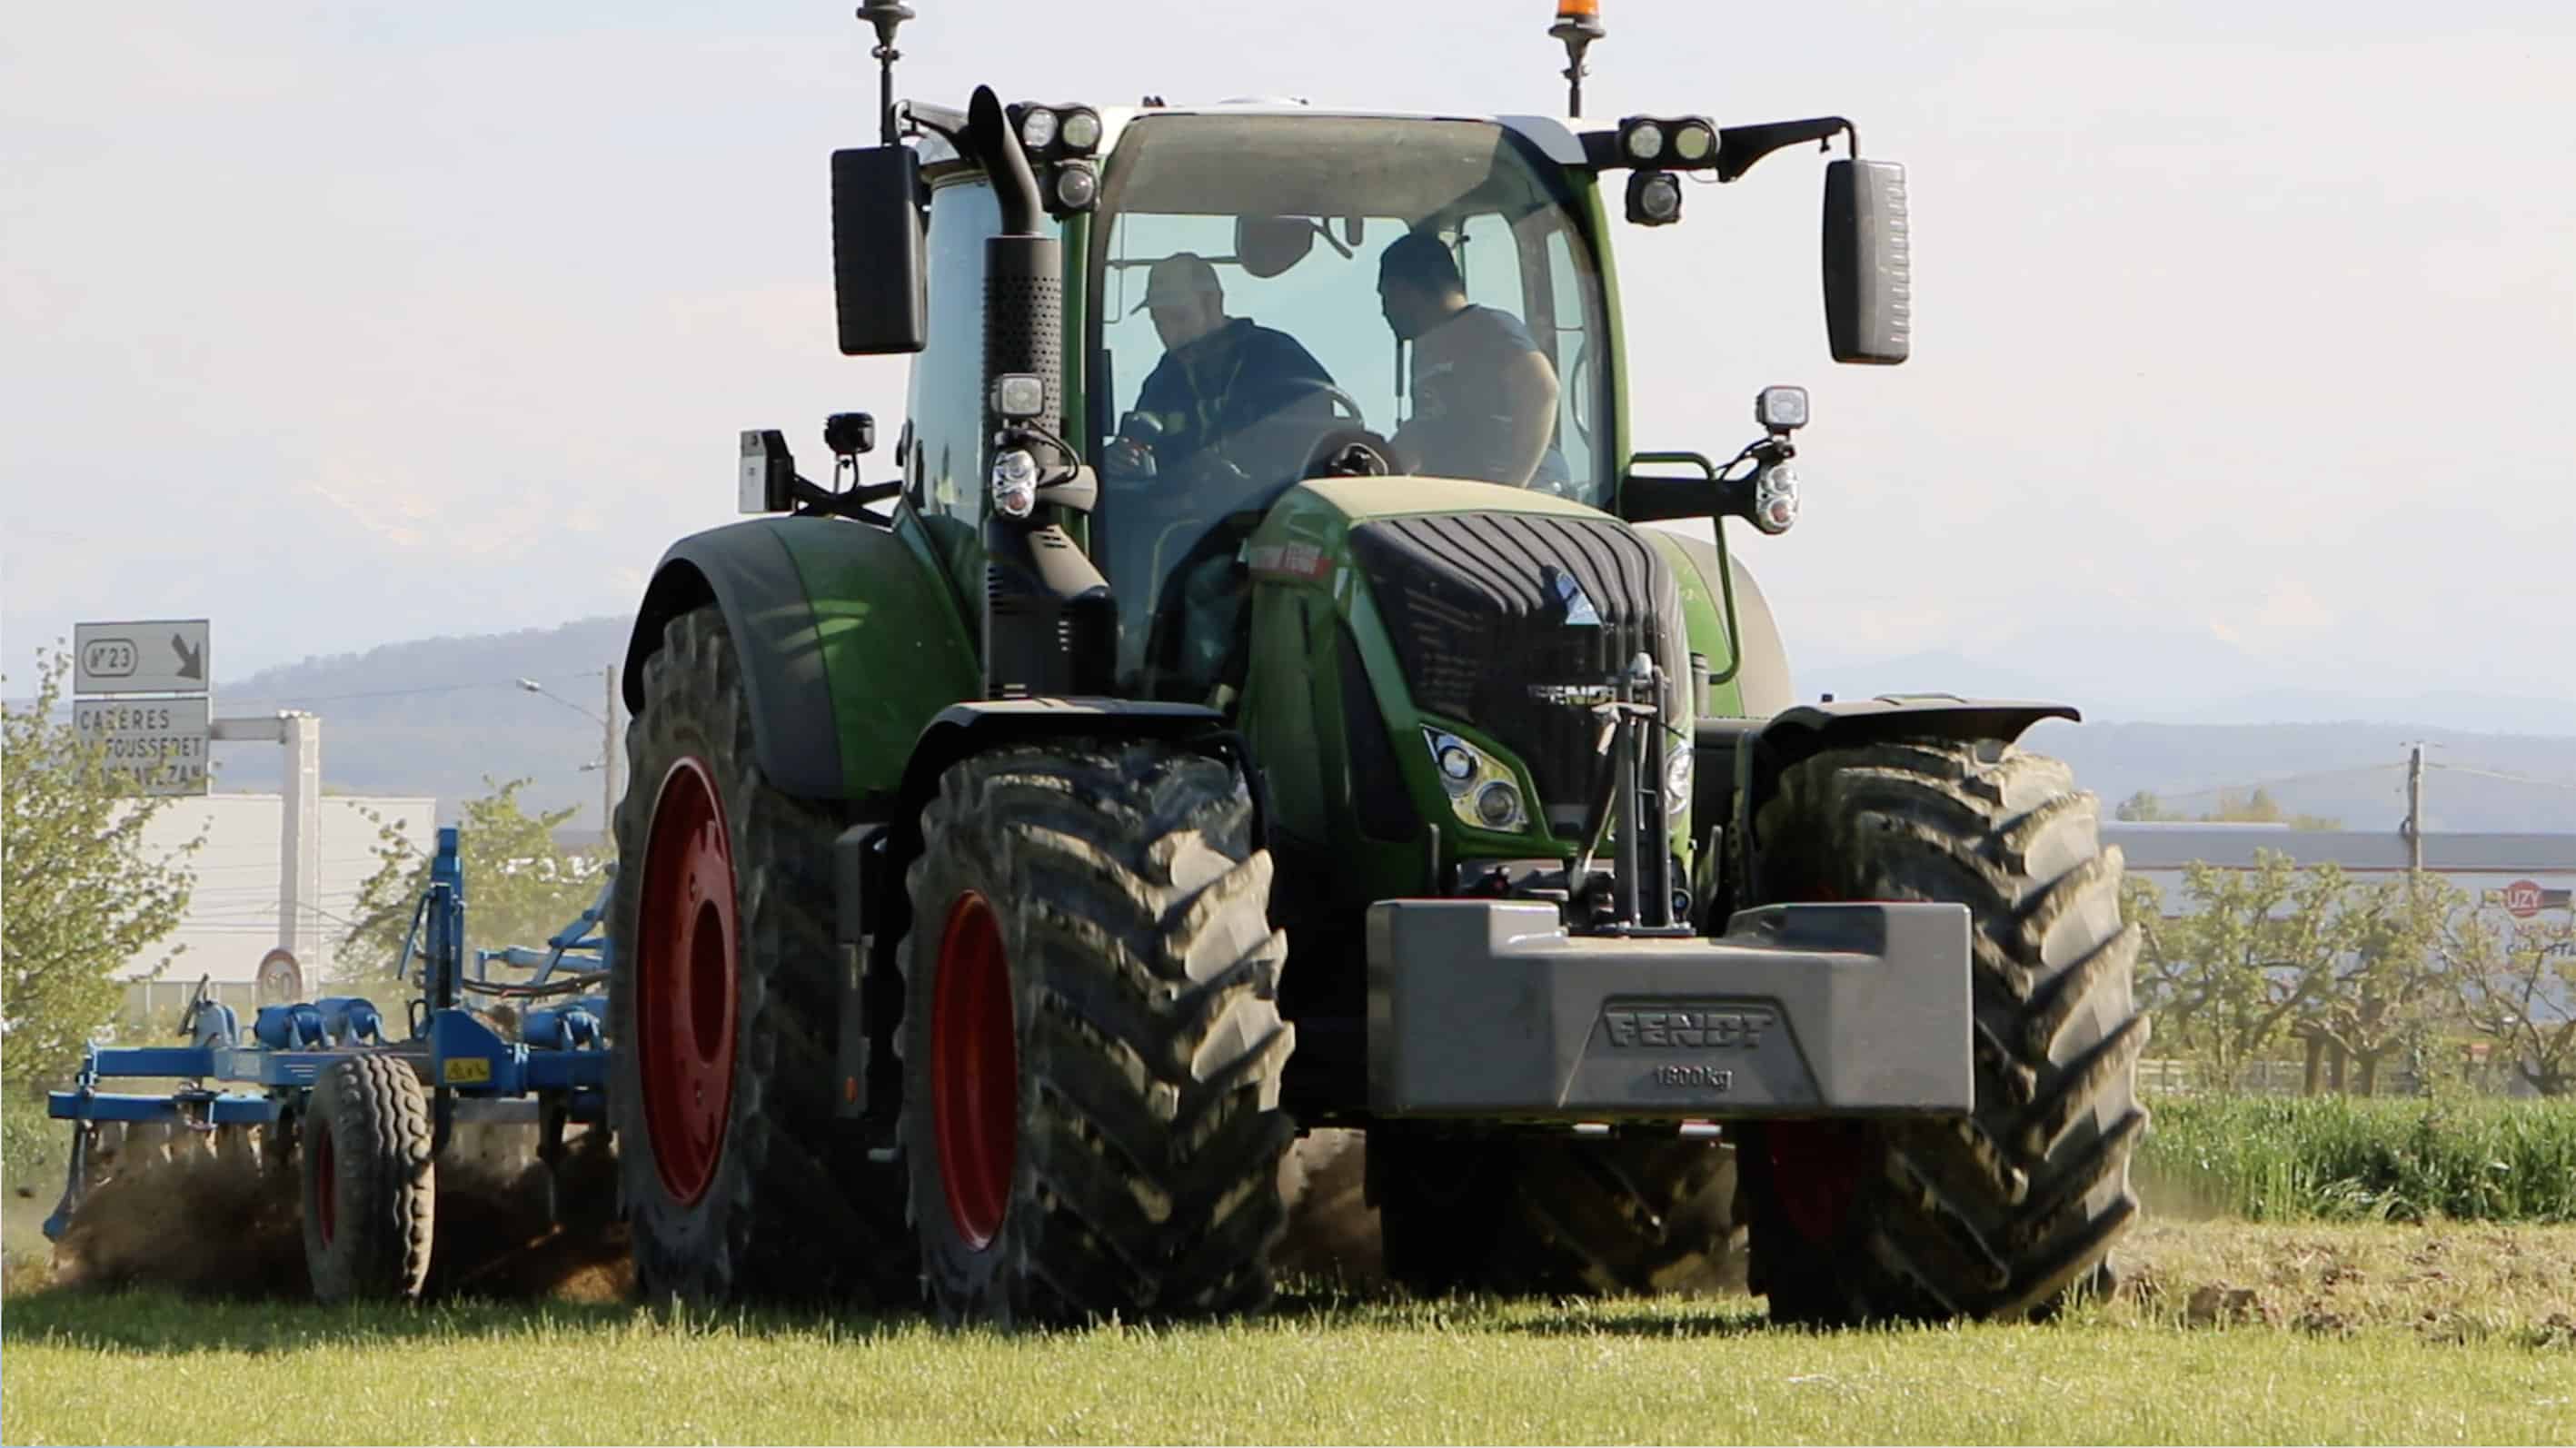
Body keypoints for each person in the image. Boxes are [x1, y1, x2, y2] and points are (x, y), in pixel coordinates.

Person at [1116, 252, 1338, 482]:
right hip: (1186, 516)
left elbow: (1319, 455)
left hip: (1272, 511)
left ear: (1213, 302)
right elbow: (1139, 452)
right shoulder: (1164, 381)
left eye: (1178, 317)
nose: (1170, 335)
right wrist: (1122, 460)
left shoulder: (1280, 359)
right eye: (1159, 322)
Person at [1376, 230, 1567, 491]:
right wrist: (1373, 473)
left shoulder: (1490, 327)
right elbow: (1426, 429)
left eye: (1387, 297)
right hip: (1470, 498)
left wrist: (1512, 489)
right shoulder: (1426, 348)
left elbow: (1543, 389)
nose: (1385, 311)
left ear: (1408, 290)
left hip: (1527, 497)